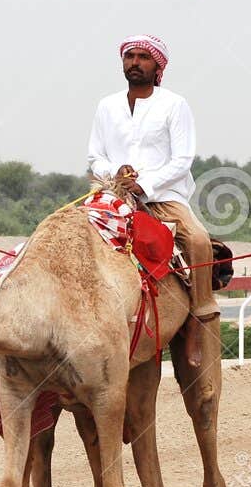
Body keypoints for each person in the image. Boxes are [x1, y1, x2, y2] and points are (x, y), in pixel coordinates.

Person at [86, 33, 219, 368]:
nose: (135, 62)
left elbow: (182, 160)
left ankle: (198, 319)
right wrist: (116, 172)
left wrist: (144, 185)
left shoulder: (174, 104)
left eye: (143, 57)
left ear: (157, 66)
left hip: (162, 197)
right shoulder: (106, 106)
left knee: (199, 240)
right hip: (112, 195)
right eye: (129, 56)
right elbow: (95, 157)